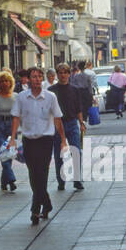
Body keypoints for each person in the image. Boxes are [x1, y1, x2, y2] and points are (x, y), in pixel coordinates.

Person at [10, 66, 66, 225]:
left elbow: (57, 118)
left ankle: (35, 210)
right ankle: (46, 203)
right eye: (33, 76)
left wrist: (63, 139)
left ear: (42, 79)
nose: (36, 79)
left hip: (45, 140)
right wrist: (13, 138)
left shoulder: (50, 97)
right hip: (29, 140)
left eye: (39, 76)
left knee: (42, 172)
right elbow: (15, 117)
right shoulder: (21, 97)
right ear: (28, 79)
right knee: (33, 174)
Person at [50, 62, 86, 191]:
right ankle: (61, 180)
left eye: (65, 72)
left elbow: (78, 108)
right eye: (60, 72)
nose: (63, 75)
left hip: (72, 123)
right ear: (57, 74)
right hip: (57, 124)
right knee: (59, 154)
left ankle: (77, 180)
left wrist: (81, 123)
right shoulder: (51, 91)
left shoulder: (75, 89)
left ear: (69, 74)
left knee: (76, 151)